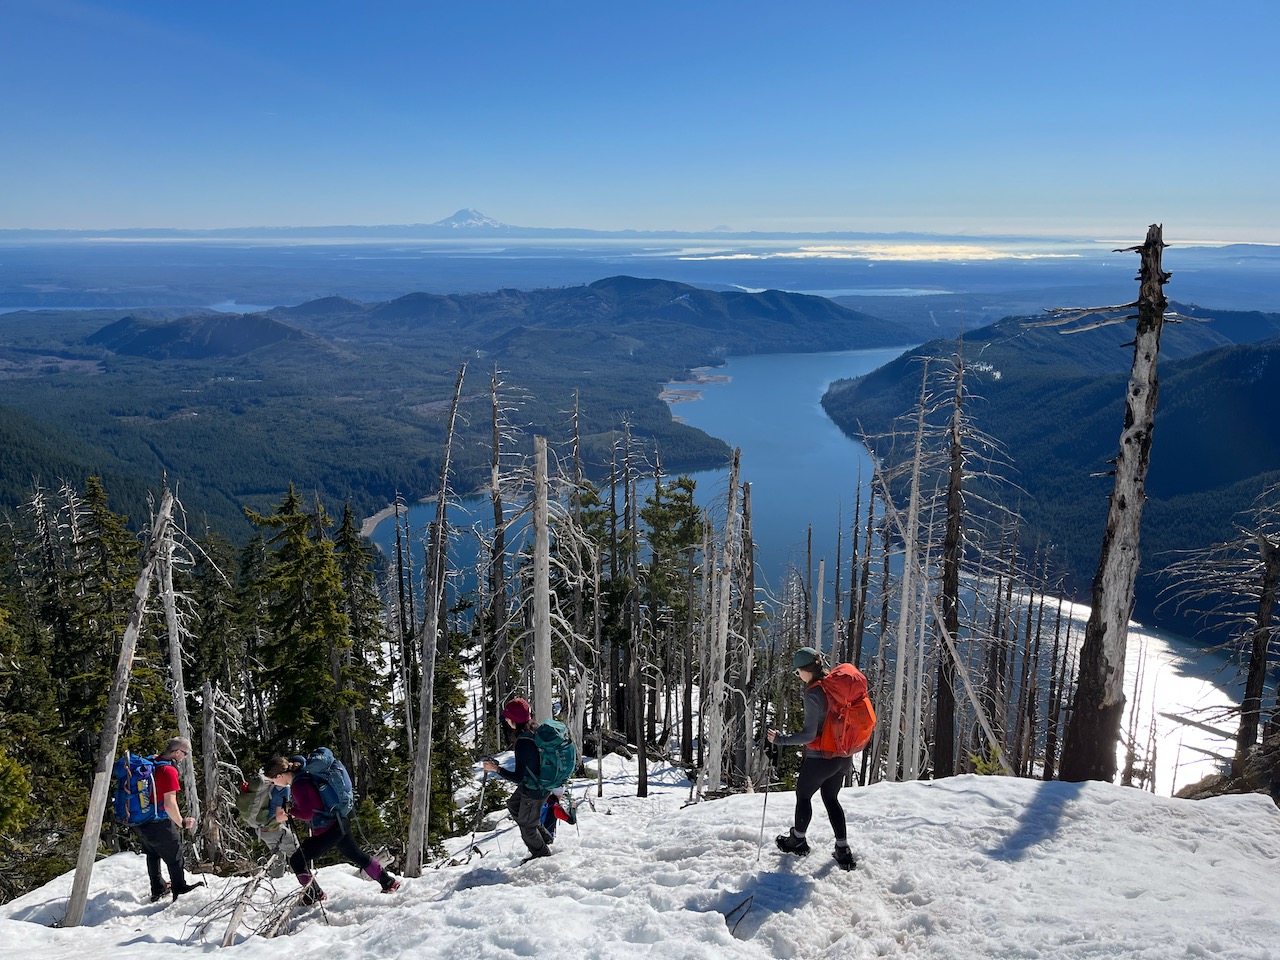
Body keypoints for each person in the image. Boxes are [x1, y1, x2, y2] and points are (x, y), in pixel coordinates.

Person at [265, 753, 399, 904]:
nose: (274, 784)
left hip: (328, 829)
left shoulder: (298, 785)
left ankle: (314, 894)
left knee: (297, 861)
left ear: (279, 776)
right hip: (339, 821)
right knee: (357, 855)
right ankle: (388, 882)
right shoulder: (304, 775)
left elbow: (309, 813)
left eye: (272, 781)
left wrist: (291, 810)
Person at [768, 647, 857, 870]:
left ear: (805, 670)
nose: (798, 675)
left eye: (798, 671)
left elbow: (808, 735)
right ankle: (842, 849)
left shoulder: (813, 693)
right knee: (831, 798)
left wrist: (781, 740)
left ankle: (797, 840)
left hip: (821, 758)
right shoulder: (834, 686)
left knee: (803, 796)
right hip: (843, 756)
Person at [135, 736, 206, 902]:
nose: (185, 757)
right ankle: (179, 888)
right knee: (175, 856)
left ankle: (158, 888)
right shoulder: (168, 771)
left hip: (141, 819)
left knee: (152, 853)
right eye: (185, 753)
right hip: (158, 821)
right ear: (177, 752)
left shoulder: (153, 761)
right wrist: (181, 822)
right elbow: (169, 803)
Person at [482, 698, 553, 861]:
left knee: (527, 826)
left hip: (535, 788)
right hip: (540, 782)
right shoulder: (534, 730)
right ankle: (546, 839)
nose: (506, 720)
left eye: (508, 717)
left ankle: (541, 854)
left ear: (514, 719)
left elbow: (519, 777)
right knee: (514, 804)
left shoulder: (523, 742)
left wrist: (496, 769)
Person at [235, 775, 297, 877]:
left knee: (277, 855)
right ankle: (302, 876)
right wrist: (299, 814)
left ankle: (276, 879)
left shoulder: (271, 784)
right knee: (295, 852)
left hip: (261, 829)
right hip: (274, 829)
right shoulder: (284, 789)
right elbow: (279, 816)